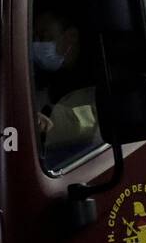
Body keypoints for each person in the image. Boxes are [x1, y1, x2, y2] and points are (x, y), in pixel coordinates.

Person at [31, 10, 101, 158]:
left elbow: (93, 119)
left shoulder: (102, 74)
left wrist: (40, 120)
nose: (37, 45)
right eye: (34, 38)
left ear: (71, 36)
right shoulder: (39, 76)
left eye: (43, 37)